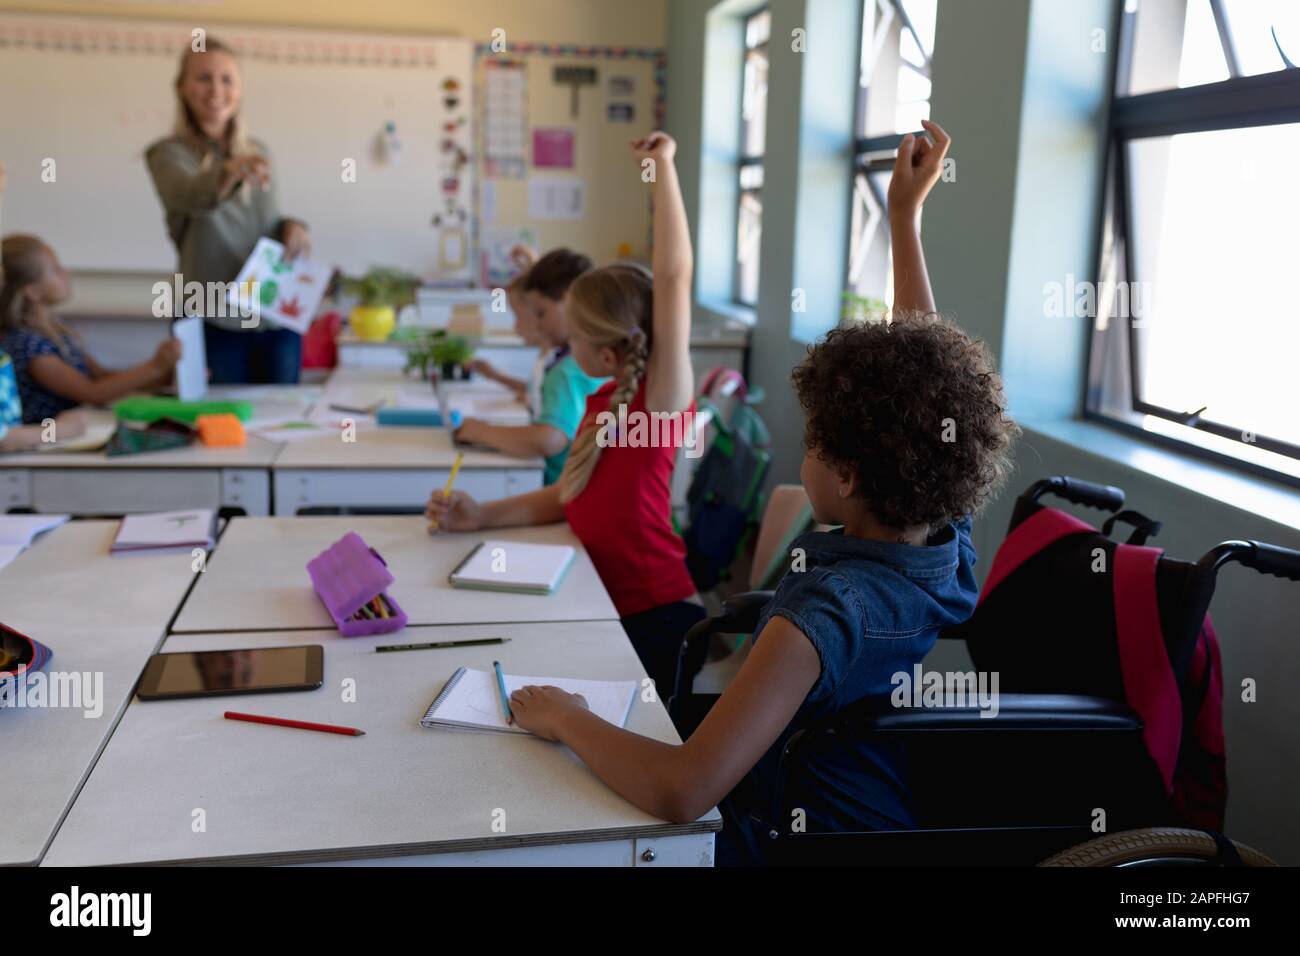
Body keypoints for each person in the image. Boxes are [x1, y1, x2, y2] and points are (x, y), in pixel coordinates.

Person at [496, 121, 1019, 864]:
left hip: (781, 833)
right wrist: (904, 217)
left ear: (845, 476)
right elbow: (928, 373)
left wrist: (567, 718)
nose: (801, 455)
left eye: (811, 442)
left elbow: (682, 790)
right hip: (861, 801)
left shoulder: (823, 613)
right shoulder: (938, 532)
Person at [427, 131, 704, 694]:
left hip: (658, 619)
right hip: (600, 597)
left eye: (573, 335)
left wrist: (660, 168)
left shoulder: (658, 404)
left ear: (606, 353)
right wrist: (481, 516)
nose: (564, 344)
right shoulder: (604, 400)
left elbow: (674, 277)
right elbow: (570, 494)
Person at [145, 37, 311, 384]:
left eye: (227, 79)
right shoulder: (168, 154)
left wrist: (292, 226)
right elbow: (189, 196)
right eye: (203, 78)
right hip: (212, 317)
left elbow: (264, 223)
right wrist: (228, 172)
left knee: (283, 413)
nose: (216, 90)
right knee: (219, 416)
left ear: (240, 89)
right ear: (182, 87)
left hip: (272, 314)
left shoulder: (258, 151)